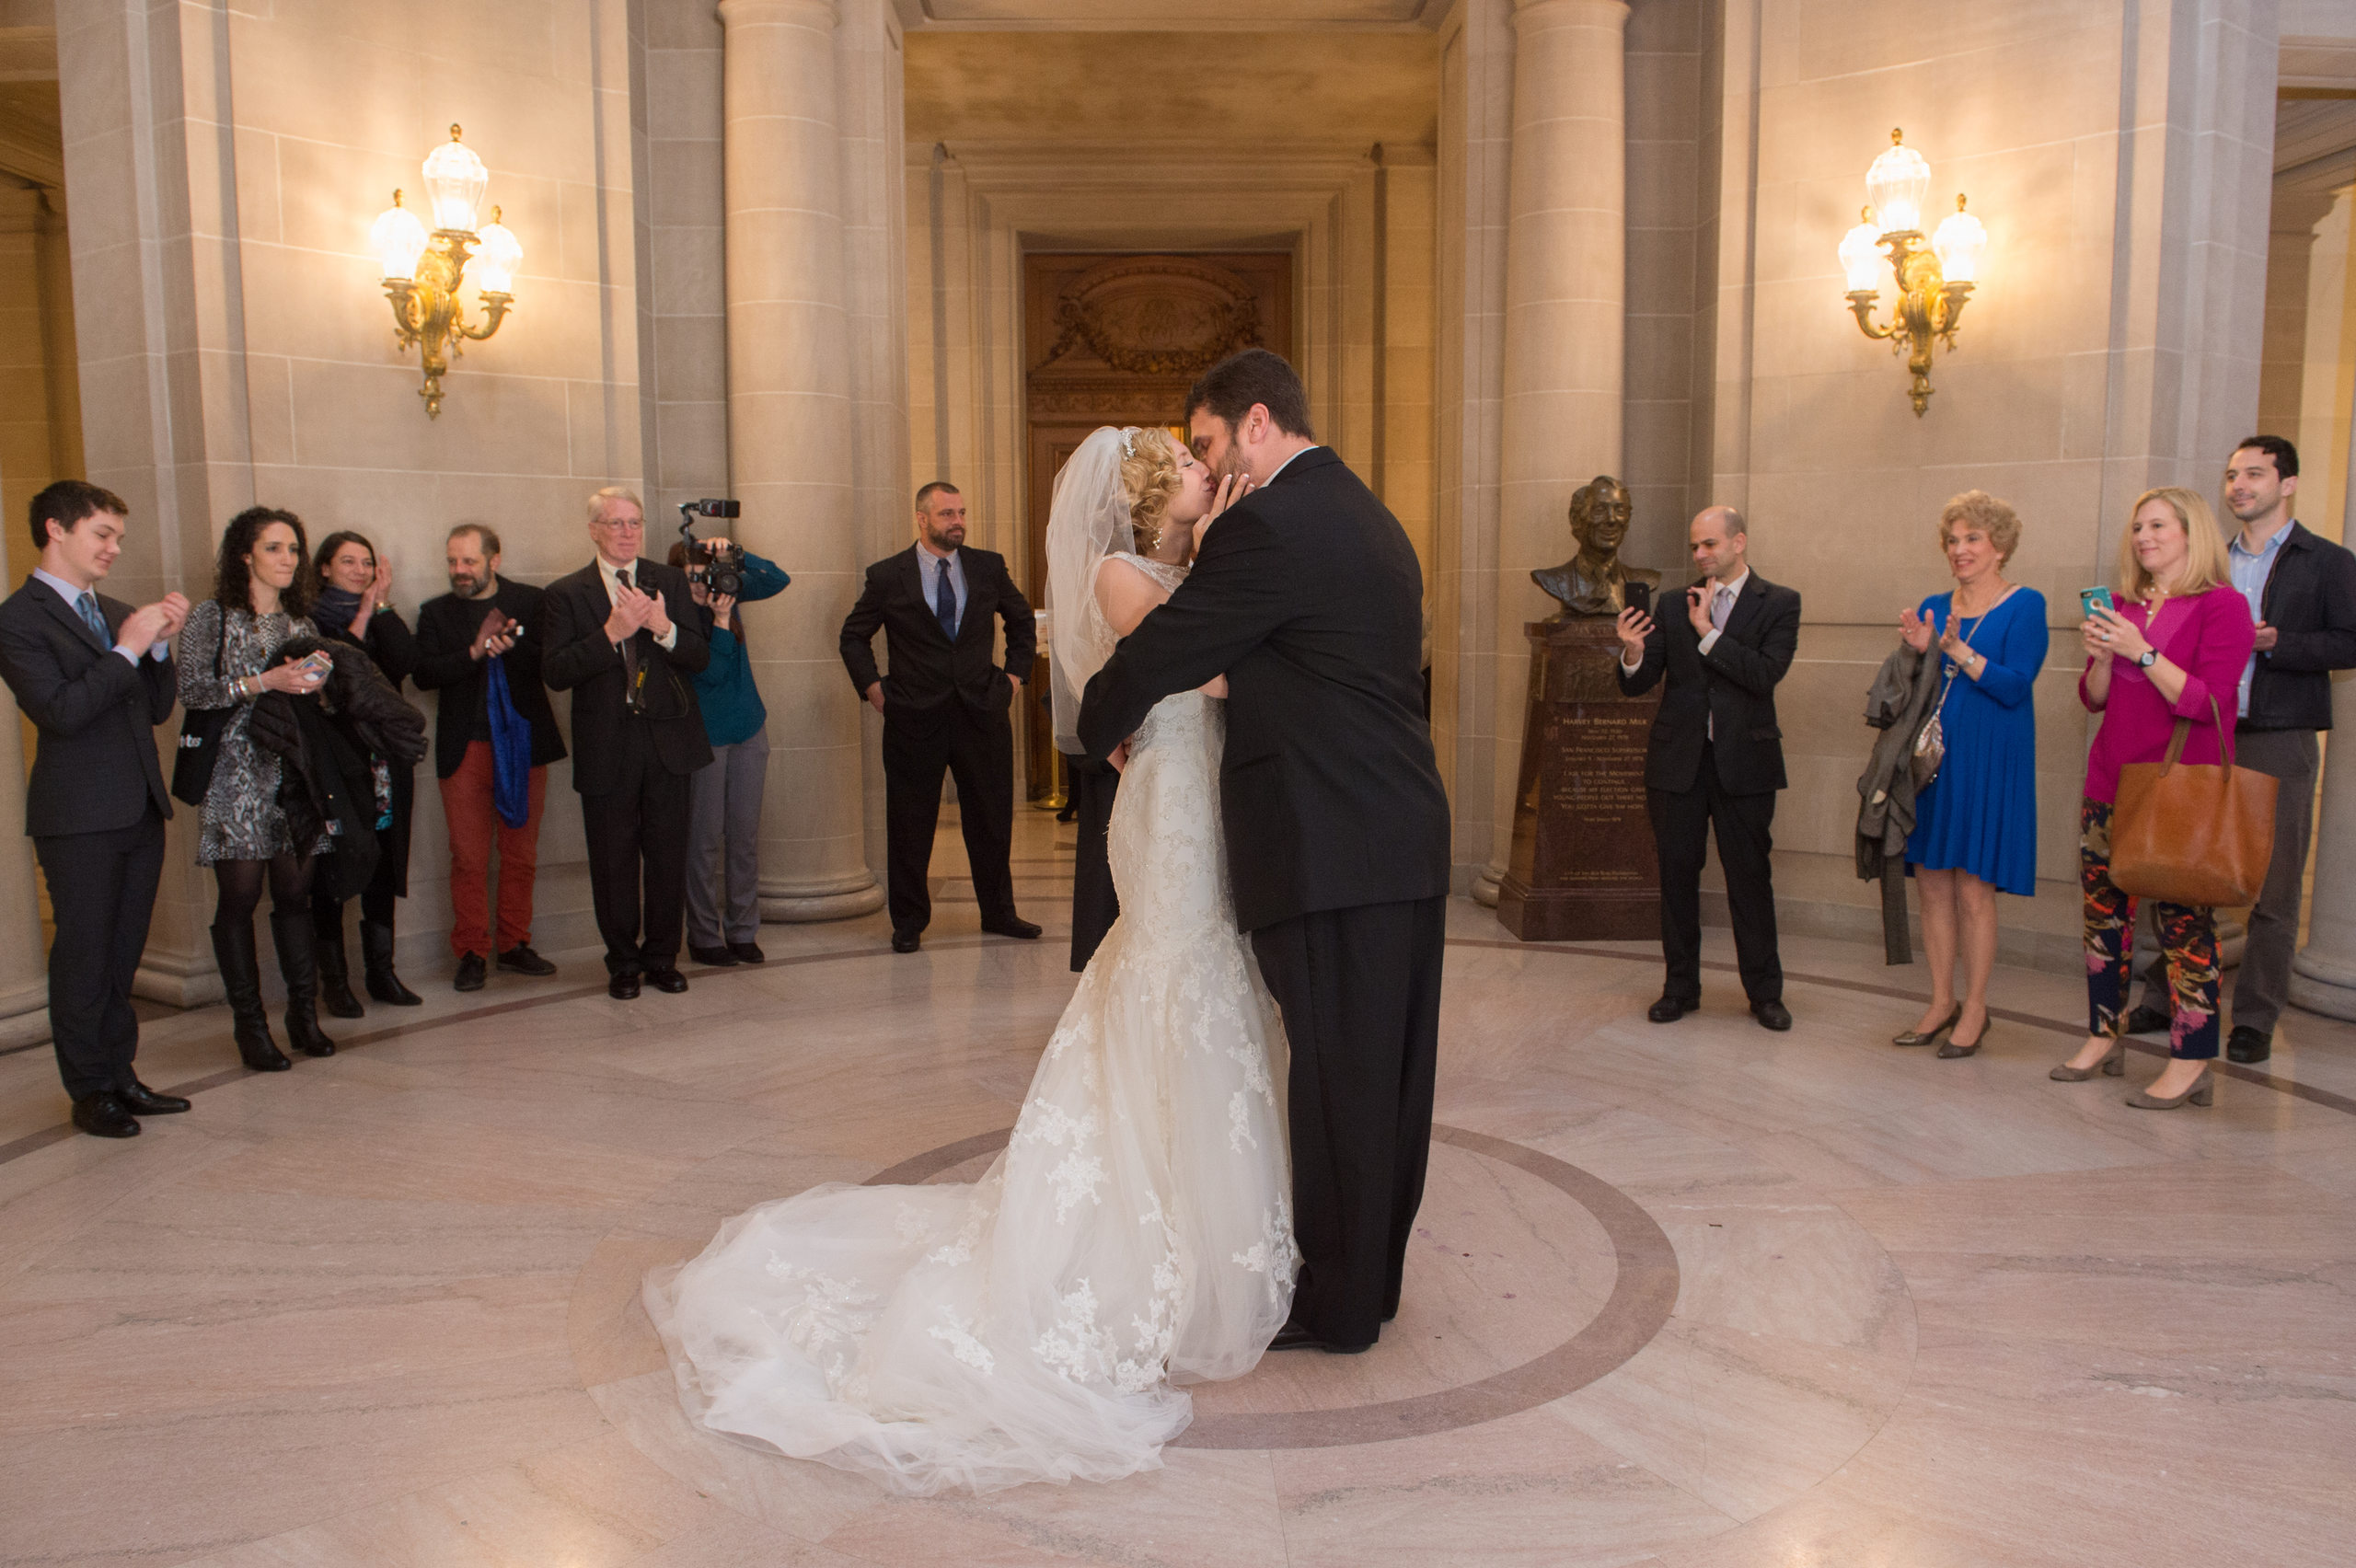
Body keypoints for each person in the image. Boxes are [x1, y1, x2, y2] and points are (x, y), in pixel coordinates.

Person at [646, 424, 1292, 1495]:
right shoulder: (1123, 571)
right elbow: (1204, 669)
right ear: (1146, 489)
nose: (1202, 471)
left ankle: (1195, 1191)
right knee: (1173, 967)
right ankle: (1145, 1208)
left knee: (1203, 972)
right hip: (1172, 795)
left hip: (1205, 792)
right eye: (1185, 463)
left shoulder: (1182, 564)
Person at [1082, 347, 1452, 1355]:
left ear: (1254, 423)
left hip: (1329, 842)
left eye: (1204, 442)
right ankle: (1370, 1282)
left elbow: (1171, 645)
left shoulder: (1270, 521)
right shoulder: (1369, 514)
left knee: (1337, 1079)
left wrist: (1092, 720)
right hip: (1400, 833)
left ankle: (1335, 1307)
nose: (1200, 464)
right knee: (1389, 1076)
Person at [2122, 436, 2356, 1063]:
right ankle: (2165, 992)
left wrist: (2280, 643)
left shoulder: (2327, 560)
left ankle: (2254, 1015)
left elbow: (2350, 642)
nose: (2239, 485)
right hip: (2201, 730)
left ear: (2289, 483)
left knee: (2274, 885)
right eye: (2231, 475)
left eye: (2255, 473)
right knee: (2182, 868)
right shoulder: (2208, 561)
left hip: (2277, 735)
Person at [2050, 487, 2256, 1106]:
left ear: (2192, 533)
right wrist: (2105, 658)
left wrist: (2142, 652)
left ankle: (2191, 1059)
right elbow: (2096, 698)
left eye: (2158, 525)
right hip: (2110, 781)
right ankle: (2102, 1035)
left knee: (2184, 928)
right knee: (2103, 923)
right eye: (2138, 527)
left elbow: (2212, 703)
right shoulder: (2121, 605)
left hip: (2177, 793)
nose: (2143, 537)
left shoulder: (2224, 607)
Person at [0, 481, 189, 1138]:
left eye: (117, 538)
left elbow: (156, 707)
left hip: (137, 806)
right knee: (83, 954)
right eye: (102, 534)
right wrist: (128, 648)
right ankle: (89, 1090)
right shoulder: (17, 618)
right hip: (76, 815)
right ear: (56, 529)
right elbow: (60, 712)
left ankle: (120, 1074)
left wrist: (159, 648)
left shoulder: (111, 610)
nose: (113, 548)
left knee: (122, 953)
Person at [1614, 506, 1803, 1032]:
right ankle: (1679, 988)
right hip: (1678, 765)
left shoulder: (1781, 603)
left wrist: (1707, 633)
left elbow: (1765, 675)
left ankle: (1765, 994)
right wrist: (1632, 652)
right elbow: (1639, 681)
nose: (1699, 555)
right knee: (1676, 880)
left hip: (1747, 764)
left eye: (1710, 545)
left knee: (1750, 880)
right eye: (1695, 546)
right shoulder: (1673, 604)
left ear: (1739, 542)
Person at [839, 481, 1041, 954]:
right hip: (913, 718)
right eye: (948, 513)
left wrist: (1013, 678)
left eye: (962, 512)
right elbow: (853, 635)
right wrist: (874, 690)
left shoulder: (988, 566)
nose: (959, 521)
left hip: (982, 713)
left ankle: (999, 913)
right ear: (922, 518)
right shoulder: (888, 575)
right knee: (911, 823)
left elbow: (1021, 622)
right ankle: (908, 921)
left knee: (990, 820)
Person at [178, 507, 341, 1072]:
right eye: (275, 548)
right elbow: (193, 690)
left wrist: (318, 688)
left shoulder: (300, 622)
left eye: (294, 549)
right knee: (241, 899)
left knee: (296, 895)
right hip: (235, 774)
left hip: (291, 774)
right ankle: (249, 1024)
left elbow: (316, 697)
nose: (288, 560)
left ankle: (303, 1013)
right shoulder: (213, 616)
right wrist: (262, 682)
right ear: (245, 554)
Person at [1890, 491, 2045, 1057]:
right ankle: (1940, 1000)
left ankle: (1975, 1008)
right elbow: (1916, 687)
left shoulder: (2026, 605)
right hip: (1934, 762)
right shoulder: (1935, 602)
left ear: (2000, 547)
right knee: (1932, 883)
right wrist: (1916, 650)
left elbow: (2015, 686)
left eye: (1972, 539)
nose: (1960, 550)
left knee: (1974, 890)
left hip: (1990, 761)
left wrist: (1956, 649)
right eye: (1953, 541)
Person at [543, 488, 710, 999]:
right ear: (593, 529)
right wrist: (611, 633)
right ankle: (623, 963)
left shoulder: (668, 582)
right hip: (607, 747)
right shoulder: (566, 594)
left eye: (634, 522)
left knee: (667, 855)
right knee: (613, 861)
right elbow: (555, 672)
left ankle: (662, 957)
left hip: (669, 743)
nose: (627, 532)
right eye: (615, 523)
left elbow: (700, 656)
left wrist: (663, 628)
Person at [413, 525, 566, 991]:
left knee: (520, 854)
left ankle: (515, 943)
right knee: (468, 858)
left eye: (469, 562)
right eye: (453, 562)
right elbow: (422, 675)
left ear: (494, 560)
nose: (460, 571)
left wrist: (513, 648)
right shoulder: (436, 613)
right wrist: (476, 651)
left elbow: (554, 663)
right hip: (466, 748)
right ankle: (473, 950)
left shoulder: (531, 601)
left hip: (522, 745)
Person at [306, 530, 423, 1013]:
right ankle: (335, 982)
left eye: (367, 563)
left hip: (384, 762)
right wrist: (363, 612)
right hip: (335, 764)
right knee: (332, 869)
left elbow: (408, 665)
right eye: (348, 562)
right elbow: (335, 675)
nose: (359, 571)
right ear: (325, 569)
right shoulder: (309, 620)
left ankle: (382, 973)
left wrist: (382, 607)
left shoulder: (381, 616)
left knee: (384, 860)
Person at [664, 533, 789, 967]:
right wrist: (719, 621)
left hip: (749, 728)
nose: (701, 585)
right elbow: (711, 674)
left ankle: (742, 930)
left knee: (744, 839)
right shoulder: (672, 621)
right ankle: (702, 934)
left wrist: (732, 554)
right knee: (702, 842)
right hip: (705, 736)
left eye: (706, 575)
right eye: (691, 577)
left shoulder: (726, 595)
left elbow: (777, 578)